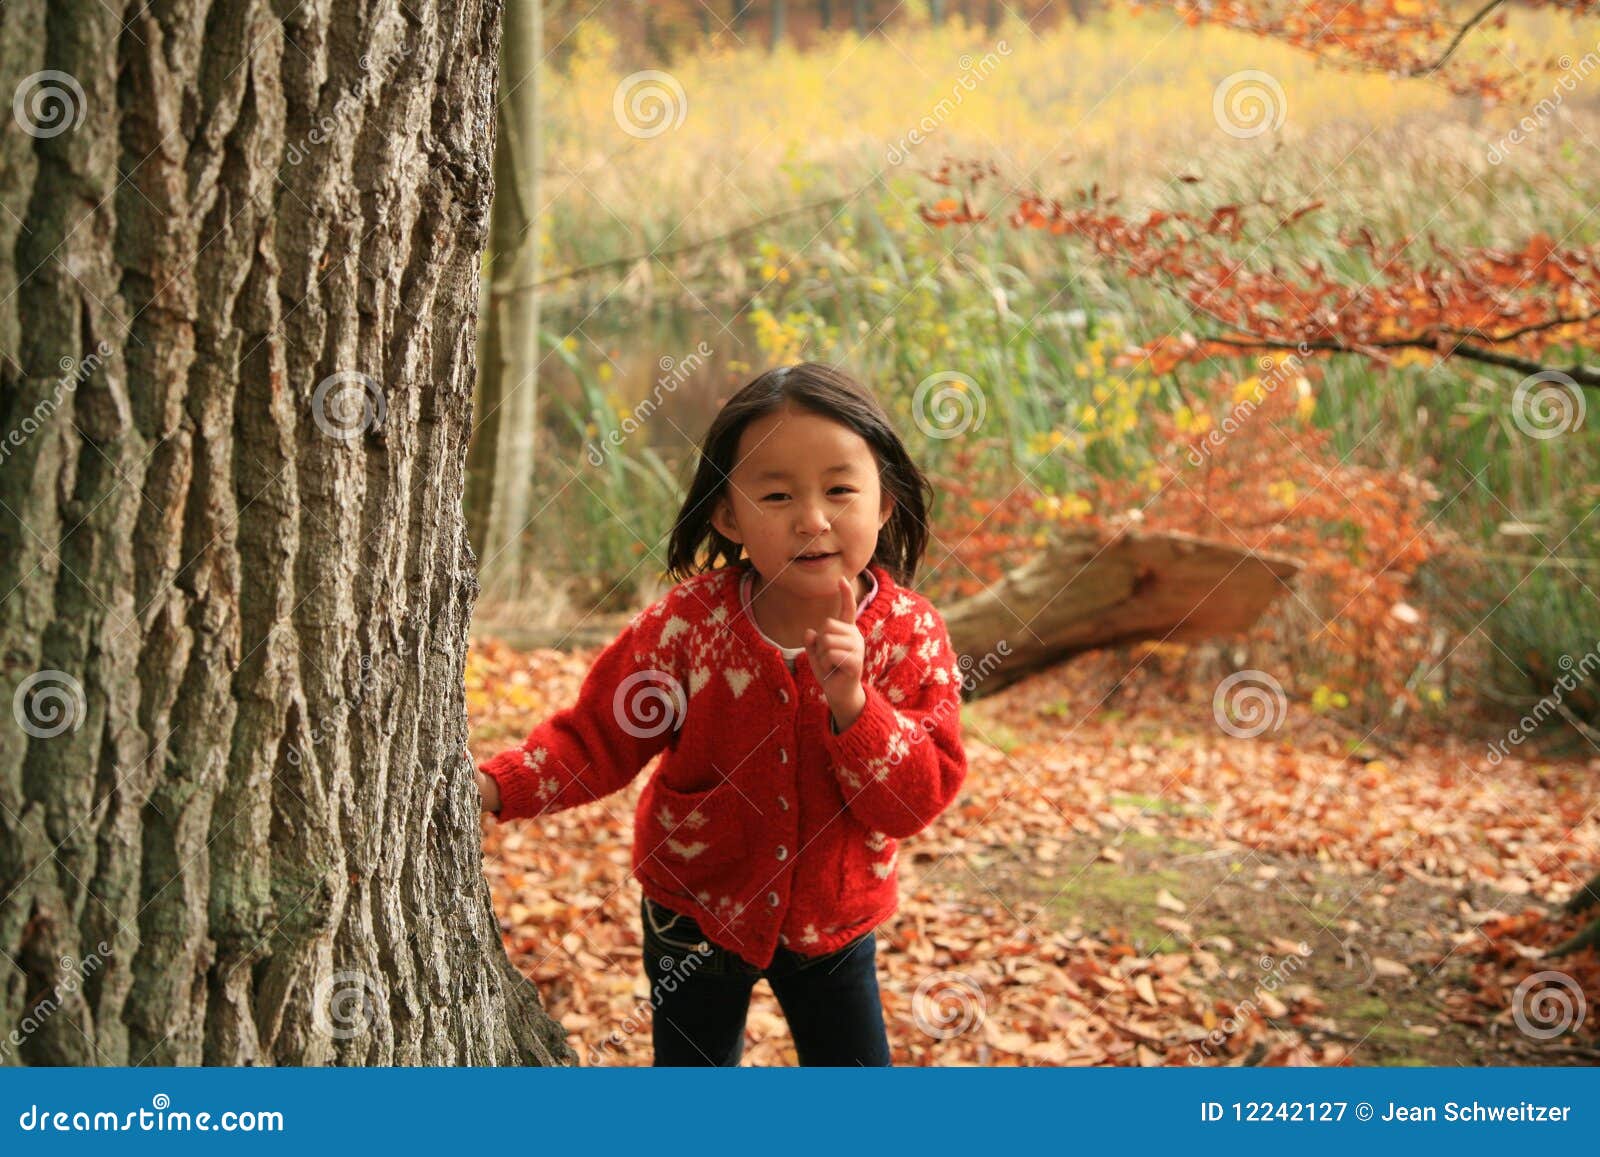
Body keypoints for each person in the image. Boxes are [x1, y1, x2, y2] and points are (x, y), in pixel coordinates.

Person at [475, 361, 969, 1066]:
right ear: (727, 514)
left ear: (885, 500)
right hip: (693, 913)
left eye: (840, 489)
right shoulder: (689, 626)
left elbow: (914, 798)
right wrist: (498, 785)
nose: (812, 518)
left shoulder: (907, 634)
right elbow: (598, 736)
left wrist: (853, 705)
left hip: (835, 920)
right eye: (775, 494)